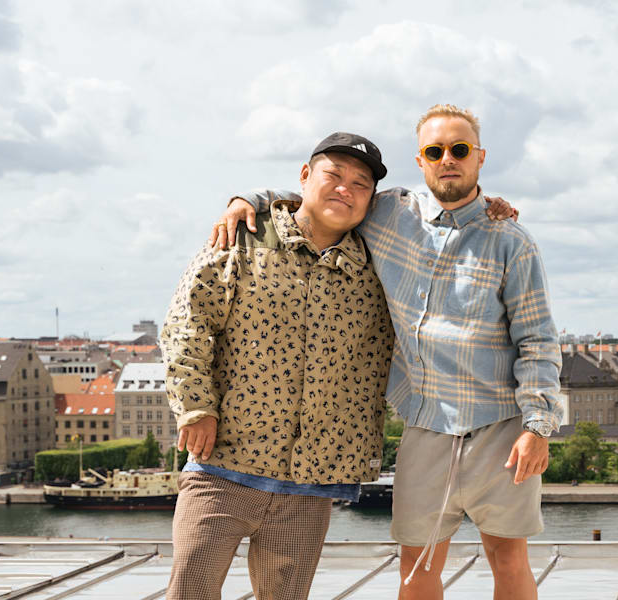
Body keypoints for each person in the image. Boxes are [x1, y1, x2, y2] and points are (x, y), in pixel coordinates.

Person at [212, 104, 562, 600]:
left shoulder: (512, 242)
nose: (448, 159)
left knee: (508, 559)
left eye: (459, 150)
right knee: (415, 567)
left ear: (479, 158)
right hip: (425, 423)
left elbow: (538, 341)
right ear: (420, 161)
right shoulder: (390, 213)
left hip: (500, 426)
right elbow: (325, 197)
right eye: (434, 151)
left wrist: (537, 427)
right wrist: (248, 199)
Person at [161, 132, 397, 600]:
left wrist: (489, 206)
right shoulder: (242, 241)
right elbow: (186, 323)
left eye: (360, 183)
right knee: (189, 593)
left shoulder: (375, 268)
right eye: (334, 175)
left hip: (310, 482)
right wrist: (195, 408)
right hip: (222, 466)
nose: (345, 189)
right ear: (305, 177)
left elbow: (435, 210)